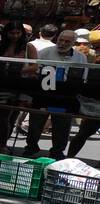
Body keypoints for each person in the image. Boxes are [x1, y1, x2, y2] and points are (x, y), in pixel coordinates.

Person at [25, 29, 88, 159]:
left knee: (62, 125)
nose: (63, 43)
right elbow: (34, 71)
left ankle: (57, 151)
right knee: (36, 122)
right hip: (44, 93)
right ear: (57, 39)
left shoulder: (81, 57)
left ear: (74, 43)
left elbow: (84, 76)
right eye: (61, 40)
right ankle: (31, 146)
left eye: (67, 41)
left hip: (66, 95)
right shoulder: (44, 52)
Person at [0, 23, 30, 153]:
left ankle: (0, 144)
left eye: (18, 33)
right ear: (6, 33)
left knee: (5, 117)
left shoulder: (28, 47)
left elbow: (34, 65)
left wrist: (18, 69)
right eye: (11, 33)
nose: (15, 36)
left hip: (13, 85)